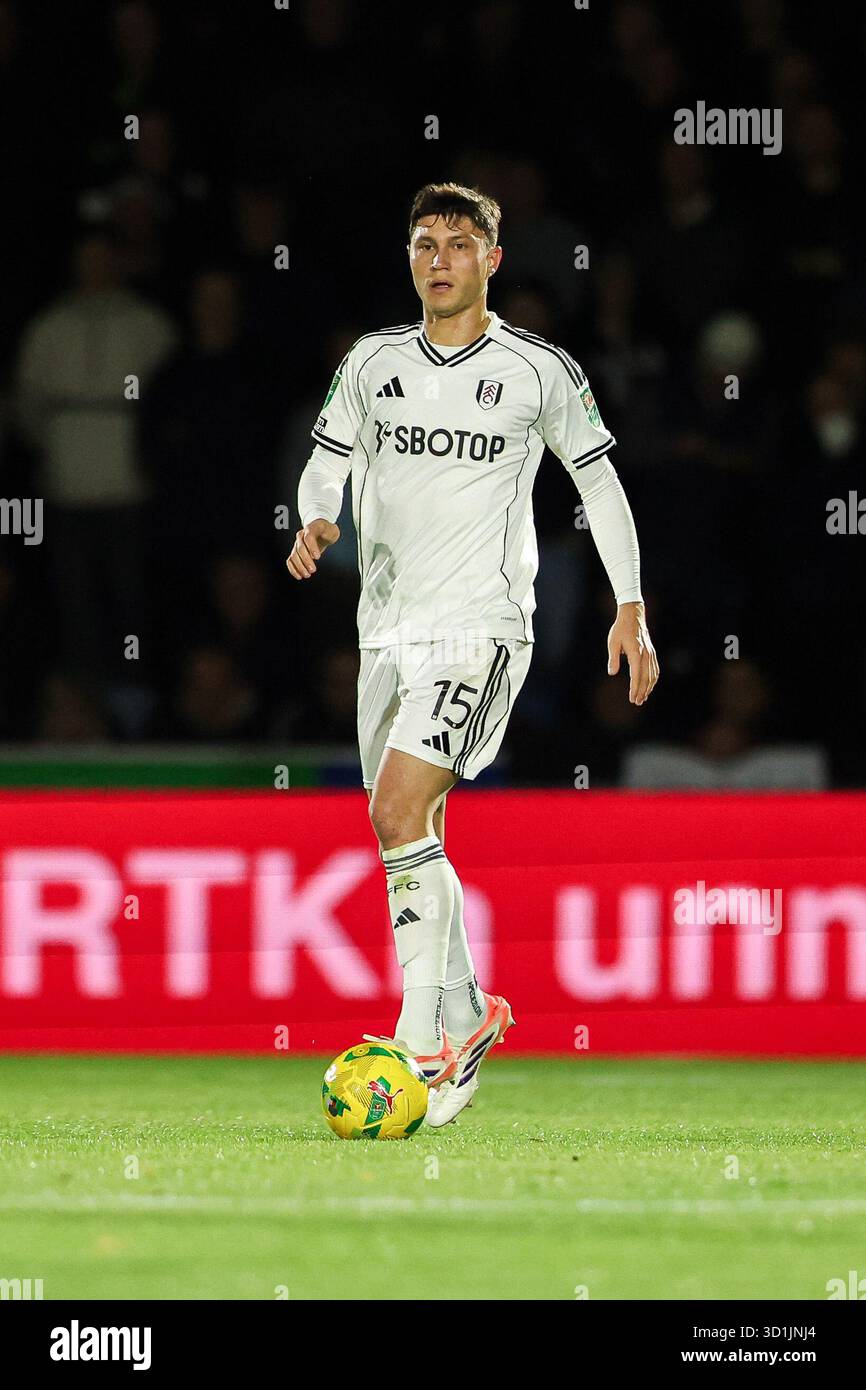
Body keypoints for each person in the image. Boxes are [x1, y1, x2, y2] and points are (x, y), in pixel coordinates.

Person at [287, 182, 659, 1126]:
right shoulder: (371, 363)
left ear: (492, 260)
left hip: (482, 630)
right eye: (423, 243)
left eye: (458, 243)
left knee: (398, 803)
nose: (439, 258)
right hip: (386, 634)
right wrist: (317, 515)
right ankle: (467, 1021)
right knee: (407, 833)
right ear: (409, 259)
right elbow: (327, 457)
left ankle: (415, 1038)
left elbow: (601, 484)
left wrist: (630, 603)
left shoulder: (539, 370)